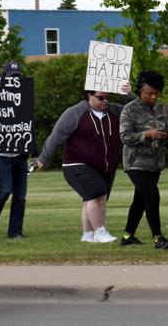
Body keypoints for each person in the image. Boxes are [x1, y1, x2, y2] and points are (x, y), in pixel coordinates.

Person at [35, 82, 131, 244]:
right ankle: (100, 232)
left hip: (106, 167)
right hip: (76, 164)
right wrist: (43, 158)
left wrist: (129, 95)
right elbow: (56, 136)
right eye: (101, 98)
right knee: (97, 194)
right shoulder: (75, 113)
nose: (105, 101)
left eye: (107, 97)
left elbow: (135, 112)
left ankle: (87, 235)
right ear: (89, 96)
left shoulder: (115, 111)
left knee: (94, 199)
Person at [119, 71, 168, 250]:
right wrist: (146, 134)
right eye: (149, 93)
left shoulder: (159, 108)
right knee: (152, 195)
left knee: (140, 200)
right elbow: (125, 136)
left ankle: (127, 236)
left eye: (156, 93)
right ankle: (158, 238)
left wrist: (165, 134)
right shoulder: (129, 109)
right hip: (136, 162)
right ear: (140, 91)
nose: (153, 96)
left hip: (154, 162)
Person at [0, 61, 31, 239]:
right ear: (3, 79)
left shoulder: (24, 98)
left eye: (17, 78)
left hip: (20, 153)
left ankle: (15, 231)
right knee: (5, 190)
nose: (14, 81)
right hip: (2, 153)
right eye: (11, 78)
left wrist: (34, 150)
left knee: (20, 195)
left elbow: (28, 125)